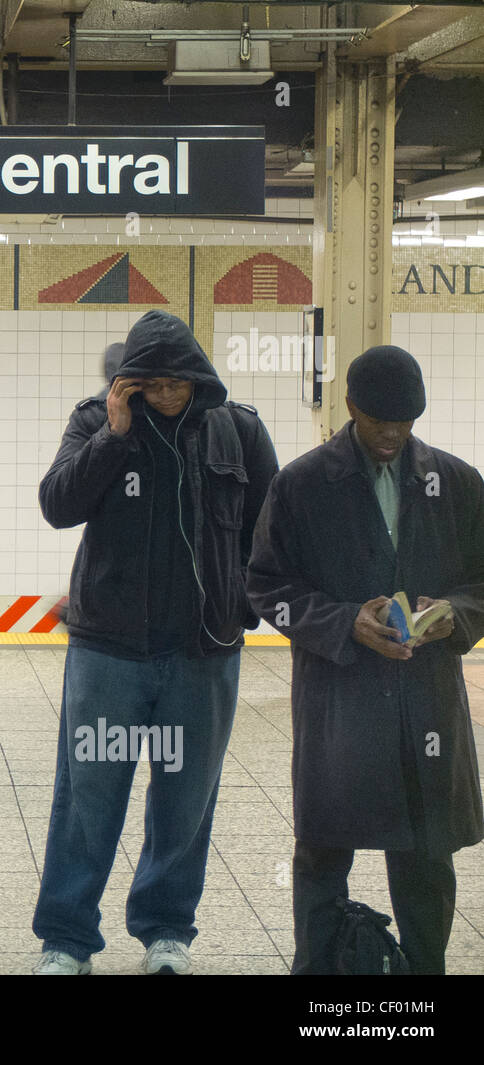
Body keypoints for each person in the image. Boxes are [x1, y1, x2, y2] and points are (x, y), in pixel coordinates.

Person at [31, 309, 278, 975]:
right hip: (108, 651)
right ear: (130, 384)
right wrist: (112, 437)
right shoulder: (96, 422)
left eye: (178, 384)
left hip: (202, 654)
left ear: (197, 377)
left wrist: (243, 610)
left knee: (186, 798)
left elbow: (269, 533)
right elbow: (57, 504)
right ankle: (66, 938)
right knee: (87, 796)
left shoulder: (239, 429)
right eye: (152, 386)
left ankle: (167, 931)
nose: (167, 396)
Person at [246, 345, 483, 975]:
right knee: (323, 851)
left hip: (426, 701)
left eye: (404, 423)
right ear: (350, 407)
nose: (392, 435)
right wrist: (343, 620)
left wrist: (455, 614)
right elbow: (266, 587)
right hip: (340, 701)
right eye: (380, 422)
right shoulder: (300, 484)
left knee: (427, 857)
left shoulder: (457, 484)